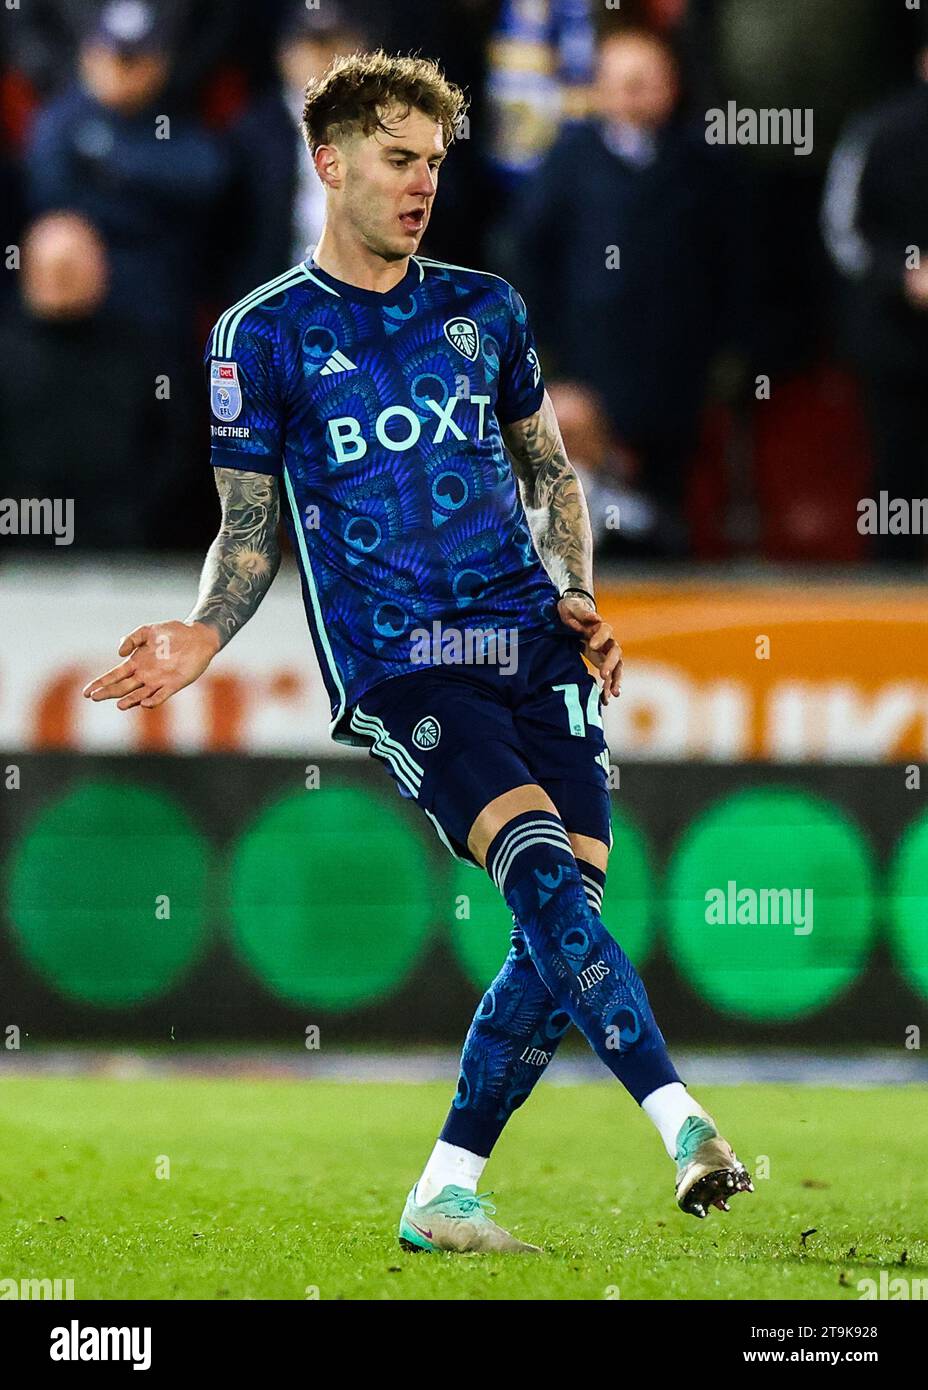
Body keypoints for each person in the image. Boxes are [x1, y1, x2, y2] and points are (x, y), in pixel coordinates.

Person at [83, 50, 751, 1253]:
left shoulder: (484, 309)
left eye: (434, 162)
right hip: (401, 662)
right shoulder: (263, 336)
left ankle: (443, 1190)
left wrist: (581, 593)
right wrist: (202, 631)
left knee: (564, 930)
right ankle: (682, 1121)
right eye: (397, 158)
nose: (420, 183)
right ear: (329, 162)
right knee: (544, 876)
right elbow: (250, 529)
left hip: (530, 642)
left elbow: (550, 471)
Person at [509, 26, 749, 549]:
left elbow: (735, 263)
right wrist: (545, 360)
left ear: (672, 86)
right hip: (589, 368)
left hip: (677, 371)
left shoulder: (704, 165)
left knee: (670, 513)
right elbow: (528, 258)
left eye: (647, 81)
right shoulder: (569, 161)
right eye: (621, 82)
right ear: (598, 88)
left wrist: (730, 354)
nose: (633, 95)